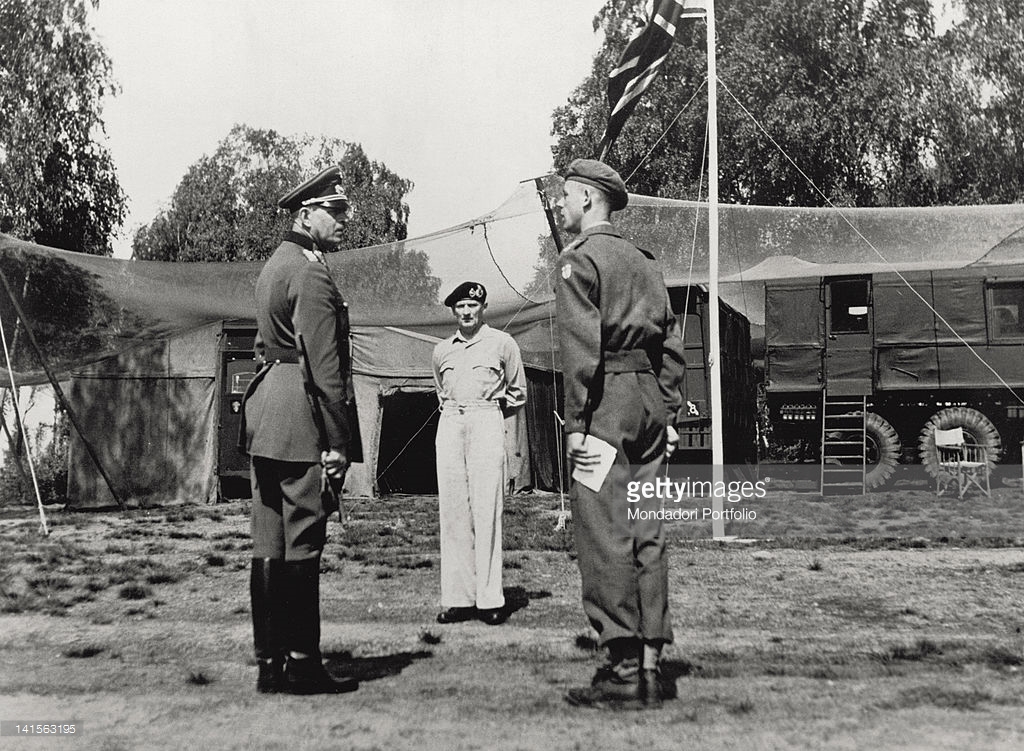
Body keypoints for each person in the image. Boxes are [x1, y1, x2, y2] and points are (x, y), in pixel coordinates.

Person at [554, 158, 686, 710]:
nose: (560, 205)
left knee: (604, 528)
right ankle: (652, 659)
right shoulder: (645, 262)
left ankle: (623, 665)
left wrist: (578, 423)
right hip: (649, 404)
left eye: (565, 195)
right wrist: (669, 411)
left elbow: (582, 354)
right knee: (646, 525)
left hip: (604, 405)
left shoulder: (577, 262)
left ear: (587, 198)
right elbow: (672, 344)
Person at [239, 166, 362, 695]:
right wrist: (339, 441)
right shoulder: (311, 272)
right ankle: (303, 663)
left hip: (266, 409)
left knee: (267, 539)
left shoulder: (275, 264)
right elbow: (326, 364)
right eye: (333, 212)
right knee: (303, 538)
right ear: (306, 214)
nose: (342, 222)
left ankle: (269, 664)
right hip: (300, 412)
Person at [431, 281, 527, 626]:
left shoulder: (502, 343)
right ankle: (459, 598)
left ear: (482, 308)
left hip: (487, 419)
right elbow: (441, 390)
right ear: (454, 311)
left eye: (472, 306)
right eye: (460, 307)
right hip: (451, 423)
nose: (466, 312)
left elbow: (518, 392)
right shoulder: (442, 350)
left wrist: (493, 417)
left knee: (486, 509)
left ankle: (489, 599)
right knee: (454, 511)